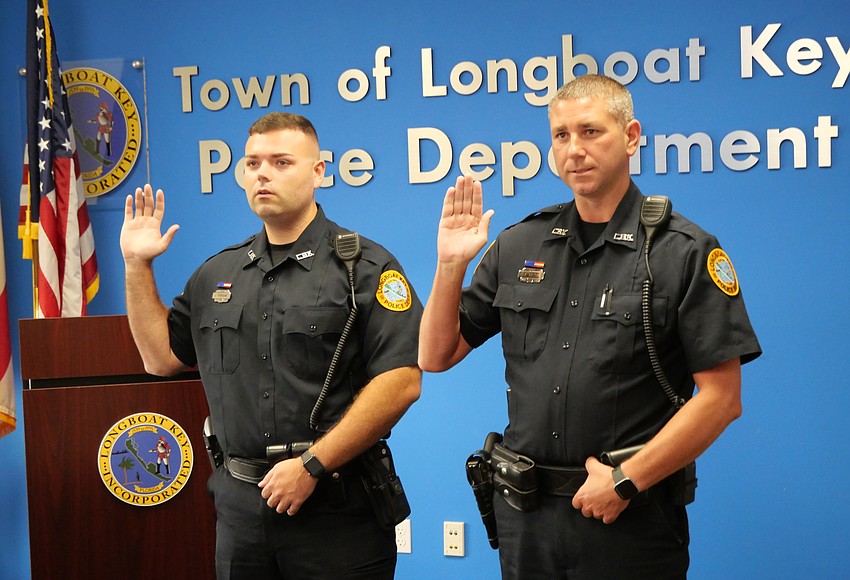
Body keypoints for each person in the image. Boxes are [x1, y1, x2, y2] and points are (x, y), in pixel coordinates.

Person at [418, 74, 762, 579]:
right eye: (561, 135)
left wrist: (626, 480)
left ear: (630, 136)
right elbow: (435, 355)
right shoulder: (519, 245)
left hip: (629, 516)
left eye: (590, 132)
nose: (574, 150)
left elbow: (722, 398)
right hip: (526, 517)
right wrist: (450, 266)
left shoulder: (681, 251)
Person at [120, 112, 422, 580]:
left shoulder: (364, 267)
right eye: (253, 163)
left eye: (281, 162)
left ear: (319, 171)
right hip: (241, 509)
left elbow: (402, 380)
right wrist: (136, 266)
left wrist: (312, 464)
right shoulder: (216, 274)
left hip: (336, 507)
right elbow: (159, 358)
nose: (262, 173)